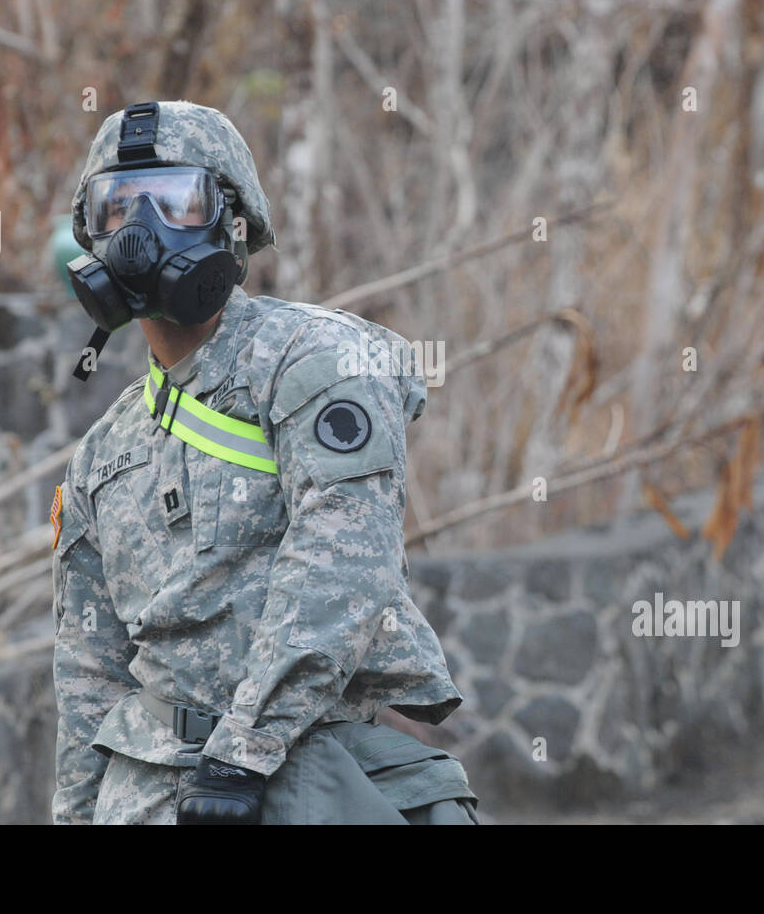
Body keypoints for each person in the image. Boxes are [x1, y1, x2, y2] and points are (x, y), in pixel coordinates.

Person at [50, 100, 477, 825]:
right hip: (149, 796)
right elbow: (89, 673)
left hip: (309, 774)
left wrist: (241, 753)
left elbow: (342, 565)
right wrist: (75, 813)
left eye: (176, 201)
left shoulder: (316, 361)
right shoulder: (102, 452)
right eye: (117, 207)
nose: (142, 231)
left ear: (231, 222)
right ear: (92, 236)